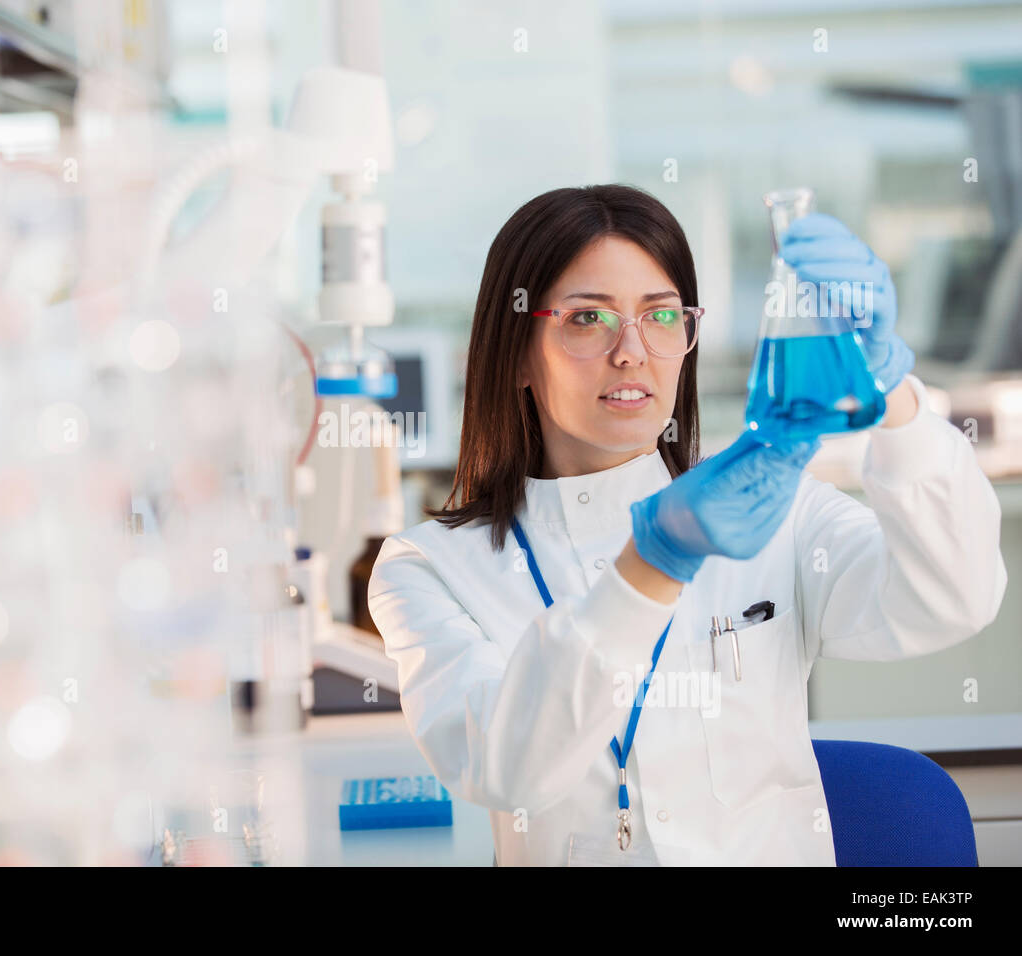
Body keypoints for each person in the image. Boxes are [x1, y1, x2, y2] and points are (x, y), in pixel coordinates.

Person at [366, 184, 1007, 866]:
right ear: (518, 351)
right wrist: (654, 562)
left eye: (662, 315)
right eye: (589, 319)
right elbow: (505, 766)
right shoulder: (429, 568)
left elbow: (952, 599)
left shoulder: (778, 511)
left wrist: (895, 397)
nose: (632, 351)